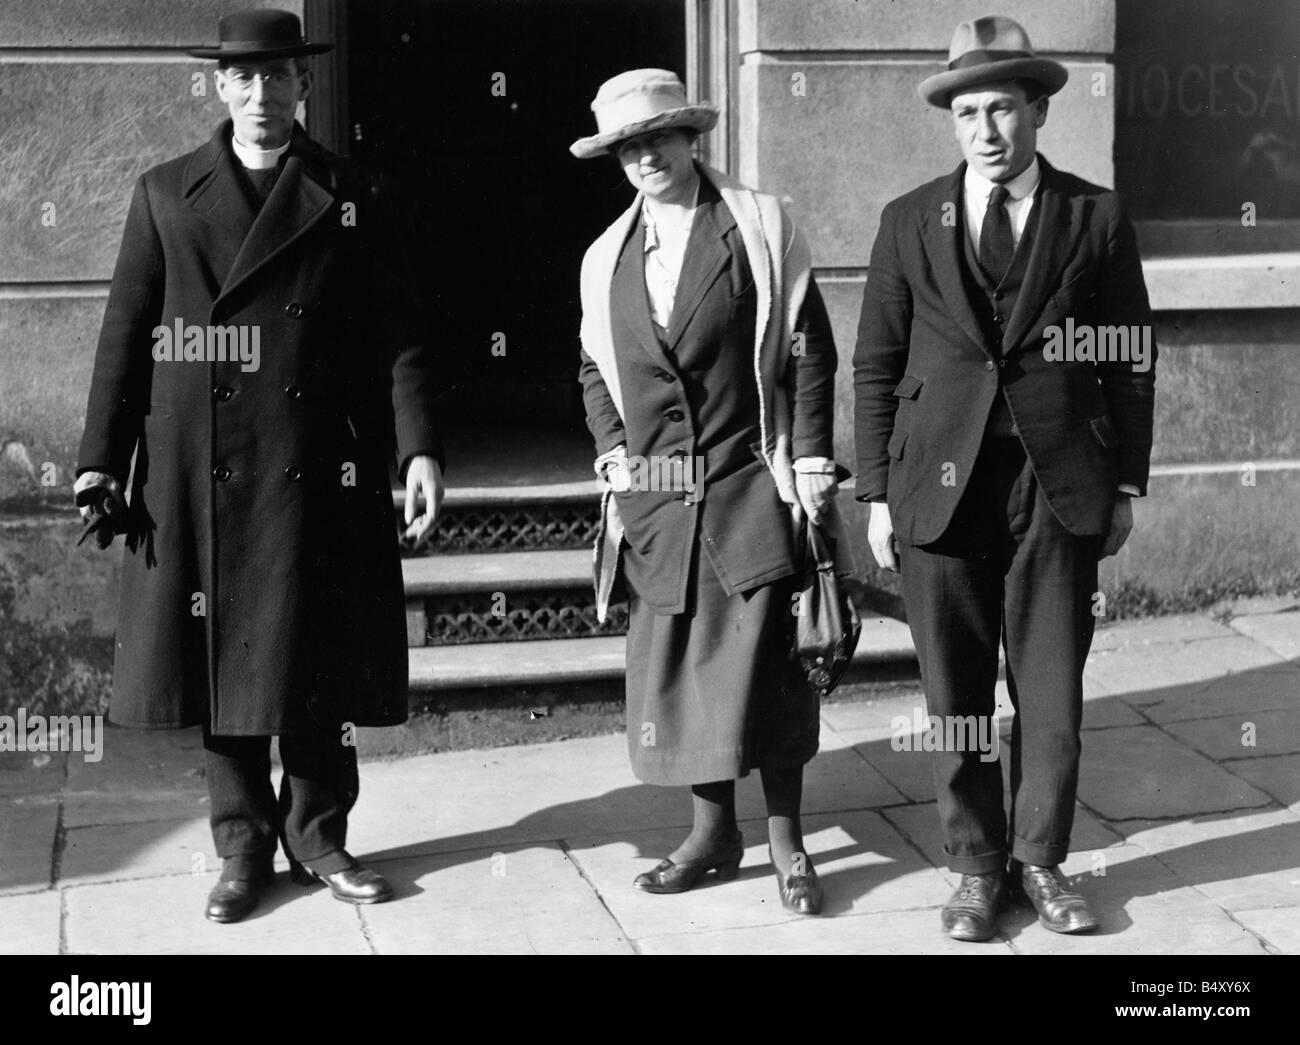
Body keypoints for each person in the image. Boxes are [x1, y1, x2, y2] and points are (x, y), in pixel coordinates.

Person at [74, 9, 444, 923]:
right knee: (222, 656)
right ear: (218, 89)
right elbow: (125, 335)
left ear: (303, 86)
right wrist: (98, 465)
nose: (261, 95)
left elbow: (398, 332)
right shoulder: (164, 192)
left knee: (318, 654)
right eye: (243, 79)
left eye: (278, 77)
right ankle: (240, 845)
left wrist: (419, 447)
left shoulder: (351, 191)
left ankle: (320, 836)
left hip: (321, 460)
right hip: (202, 464)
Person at [854, 15, 1156, 941]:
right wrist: (871, 493)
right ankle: (976, 868)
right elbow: (875, 361)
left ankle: (1043, 861)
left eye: (1003, 109)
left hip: (1057, 485)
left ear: (1039, 111)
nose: (985, 130)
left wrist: (1128, 485)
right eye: (968, 113)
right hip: (935, 494)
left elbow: (1130, 357)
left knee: (1051, 691)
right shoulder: (909, 220)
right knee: (956, 695)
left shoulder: (1093, 216)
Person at [572, 69, 841, 914]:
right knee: (686, 674)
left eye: (658, 137)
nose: (645, 156)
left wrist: (809, 468)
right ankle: (711, 832)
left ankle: (787, 841)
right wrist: (616, 458)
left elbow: (810, 352)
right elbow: (594, 368)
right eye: (627, 146)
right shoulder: (606, 257)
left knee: (771, 673)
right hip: (659, 502)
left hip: (750, 478)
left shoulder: (758, 228)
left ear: (693, 138)